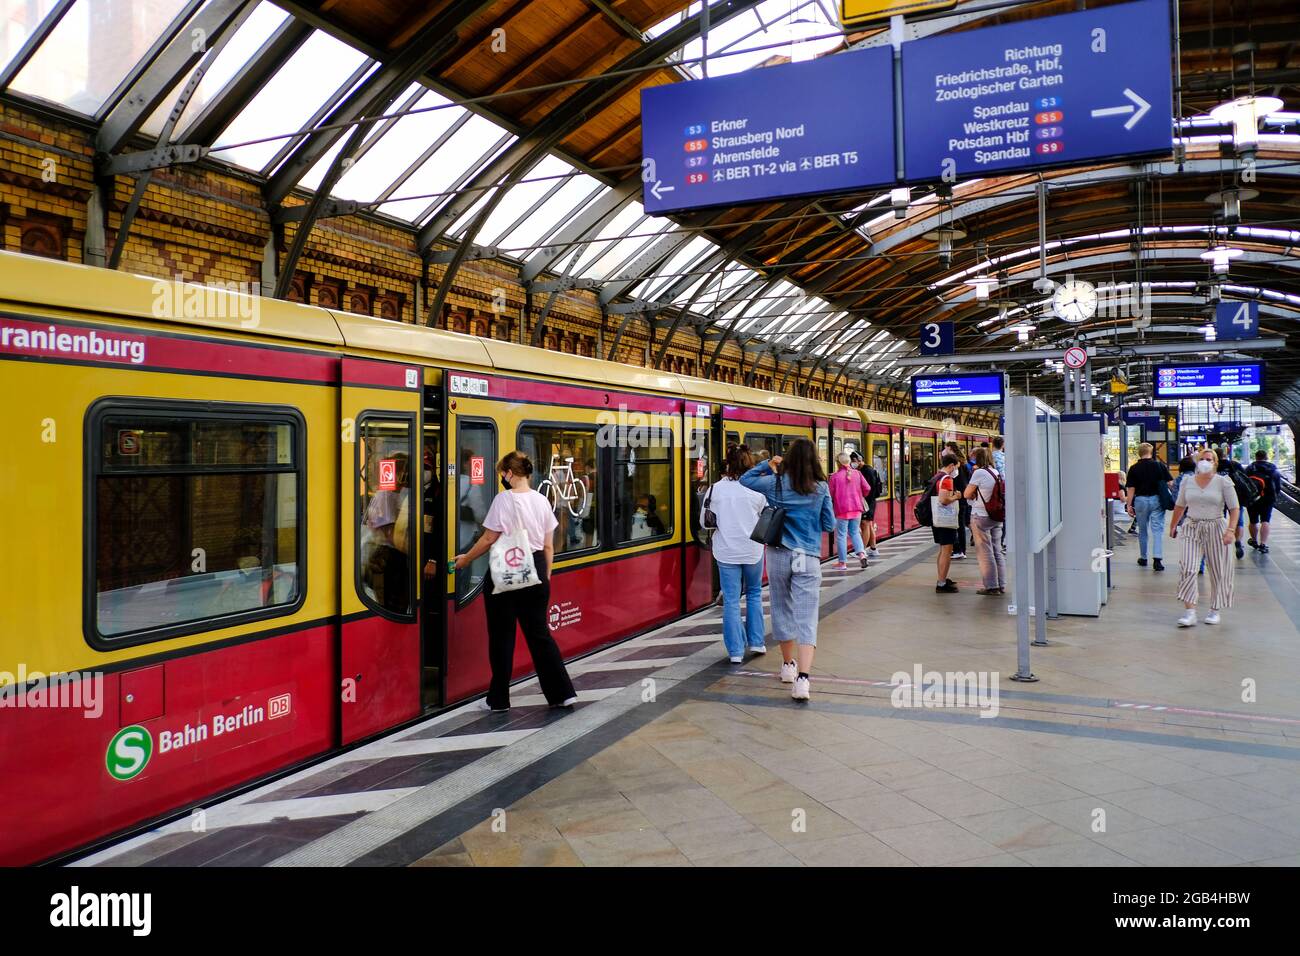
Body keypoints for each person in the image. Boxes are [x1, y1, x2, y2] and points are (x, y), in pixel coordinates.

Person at [453, 451, 577, 711]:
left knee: (502, 636)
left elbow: (488, 539)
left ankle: (498, 700)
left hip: (506, 572)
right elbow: (548, 546)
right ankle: (563, 694)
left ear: (509, 473)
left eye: (502, 474)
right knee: (540, 635)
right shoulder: (542, 501)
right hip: (536, 569)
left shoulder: (503, 499)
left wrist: (465, 559)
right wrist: (546, 575)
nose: (502, 478)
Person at [740, 438, 836, 702]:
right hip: (807, 557)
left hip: (779, 555)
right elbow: (829, 525)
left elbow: (745, 480)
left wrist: (767, 463)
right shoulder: (821, 488)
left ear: (789, 458)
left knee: (782, 608)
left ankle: (787, 667)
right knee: (806, 615)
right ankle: (803, 680)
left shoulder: (775, 483)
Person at [709, 444, 768, 663]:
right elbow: (766, 515)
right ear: (749, 463)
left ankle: (735, 652)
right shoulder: (757, 488)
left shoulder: (715, 489)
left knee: (732, 601)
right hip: (753, 549)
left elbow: (705, 522)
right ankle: (757, 642)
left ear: (727, 463)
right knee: (753, 594)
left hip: (726, 551)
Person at [1169, 448, 1238, 627]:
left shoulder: (1223, 482)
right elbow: (1180, 506)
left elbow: (1234, 508)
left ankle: (1215, 609)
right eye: (1202, 458)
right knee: (1188, 567)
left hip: (1216, 527)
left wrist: (1231, 530)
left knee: (1218, 570)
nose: (1205, 461)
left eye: (1209, 459)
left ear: (1215, 463)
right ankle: (1189, 611)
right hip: (1192, 527)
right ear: (1196, 461)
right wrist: (1173, 525)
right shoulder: (1187, 481)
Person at [1123, 442, 1173, 571]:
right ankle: (1157, 559)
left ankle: (1143, 558)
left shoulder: (1133, 468)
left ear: (1139, 453)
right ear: (1151, 452)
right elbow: (1170, 483)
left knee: (1143, 530)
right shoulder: (1159, 465)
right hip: (1157, 500)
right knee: (1157, 530)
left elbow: (1131, 489)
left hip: (1140, 501)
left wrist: (1129, 505)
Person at [964, 446, 1005, 595]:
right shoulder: (996, 472)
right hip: (996, 515)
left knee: (985, 553)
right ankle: (1001, 584)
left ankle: (991, 586)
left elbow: (966, 494)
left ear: (978, 458)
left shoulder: (979, 472)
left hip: (981, 516)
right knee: (997, 550)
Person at [829, 451, 871, 570]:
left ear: (838, 463)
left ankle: (842, 563)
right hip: (857, 509)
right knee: (854, 532)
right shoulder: (857, 473)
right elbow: (867, 488)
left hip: (842, 510)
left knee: (842, 535)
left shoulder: (834, 477)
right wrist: (859, 495)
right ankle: (862, 554)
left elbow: (830, 494)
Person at [931, 451, 962, 593]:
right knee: (946, 551)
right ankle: (942, 583)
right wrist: (956, 496)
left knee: (943, 549)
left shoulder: (937, 476)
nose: (956, 470)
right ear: (951, 465)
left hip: (937, 520)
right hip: (945, 521)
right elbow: (944, 500)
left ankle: (941, 578)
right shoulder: (947, 479)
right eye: (956, 467)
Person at [1246, 449, 1281, 553]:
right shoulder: (1272, 468)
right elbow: (1278, 485)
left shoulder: (1250, 468)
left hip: (1252, 498)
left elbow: (1244, 483)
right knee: (1265, 520)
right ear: (1266, 457)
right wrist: (1274, 496)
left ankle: (1254, 541)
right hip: (1268, 498)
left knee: (1253, 521)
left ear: (1256, 457)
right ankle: (1263, 544)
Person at [1217, 446, 1249, 559]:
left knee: (1220, 520)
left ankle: (1220, 542)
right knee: (1238, 521)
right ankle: (1238, 542)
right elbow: (1245, 478)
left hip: (1217, 498)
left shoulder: (1213, 467)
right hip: (1236, 496)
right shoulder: (1234, 465)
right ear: (1224, 455)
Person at [853, 451, 883, 558]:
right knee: (869, 525)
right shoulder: (863, 470)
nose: (853, 463)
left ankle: (862, 550)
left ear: (860, 459)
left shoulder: (867, 471)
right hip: (869, 501)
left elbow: (869, 489)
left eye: (854, 461)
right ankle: (873, 548)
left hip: (868, 502)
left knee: (864, 524)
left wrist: (864, 501)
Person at [945, 441, 971, 559]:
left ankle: (958, 550)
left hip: (958, 497)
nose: (944, 451)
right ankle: (961, 550)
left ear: (951, 449)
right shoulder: (964, 463)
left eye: (946, 449)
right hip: (964, 497)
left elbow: (952, 480)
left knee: (957, 525)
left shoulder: (956, 466)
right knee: (960, 524)